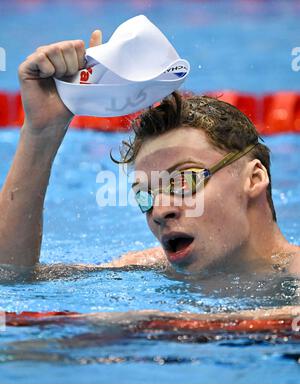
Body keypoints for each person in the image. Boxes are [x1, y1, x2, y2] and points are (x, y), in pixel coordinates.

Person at [0, 30, 299, 277]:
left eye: (184, 181)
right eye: (146, 195)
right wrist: (41, 132)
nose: (159, 211)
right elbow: (12, 276)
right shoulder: (150, 268)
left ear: (254, 178)